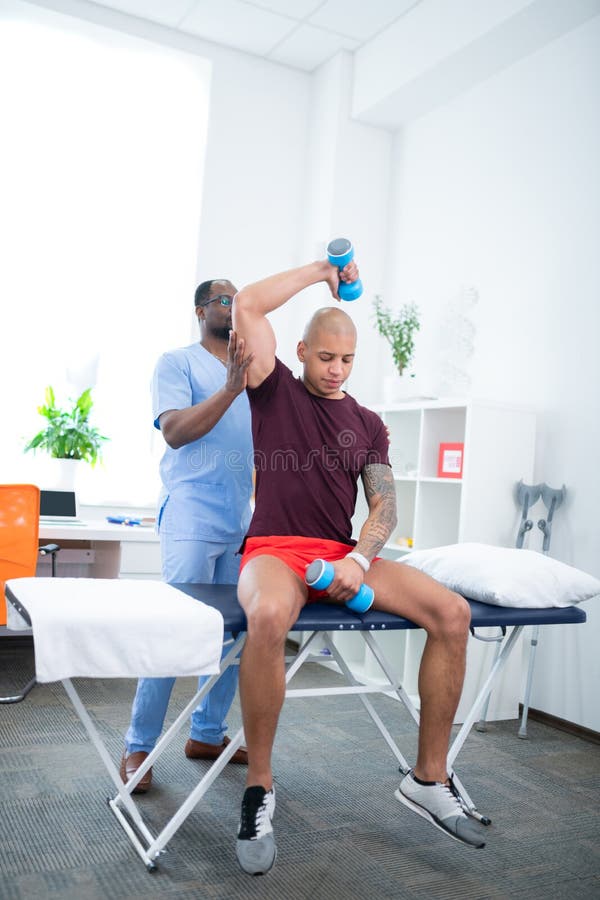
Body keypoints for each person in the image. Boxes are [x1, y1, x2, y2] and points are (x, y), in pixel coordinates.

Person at [230, 256, 485, 875]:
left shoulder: (368, 423)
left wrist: (359, 557)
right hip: (275, 553)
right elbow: (248, 306)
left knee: (452, 613)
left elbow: (384, 505)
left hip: (341, 557)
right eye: (325, 358)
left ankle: (428, 777)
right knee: (267, 615)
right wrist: (322, 270)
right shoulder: (275, 390)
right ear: (302, 351)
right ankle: (259, 786)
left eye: (346, 360)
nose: (336, 369)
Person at [120, 279, 254, 793]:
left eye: (238, 300)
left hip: (239, 518)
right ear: (201, 311)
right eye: (223, 299)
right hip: (191, 515)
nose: (233, 306)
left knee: (234, 634)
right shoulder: (176, 363)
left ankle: (206, 733)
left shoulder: (250, 372)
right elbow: (174, 430)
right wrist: (229, 389)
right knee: (172, 629)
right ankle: (138, 745)